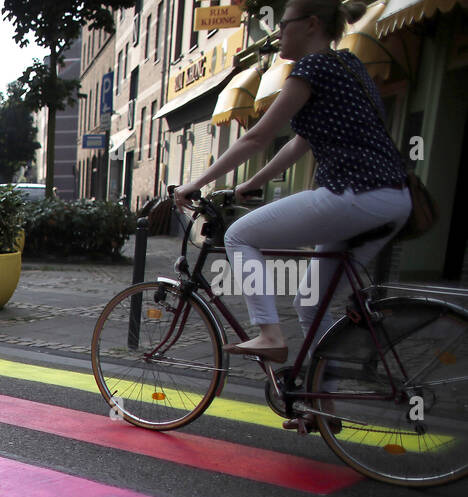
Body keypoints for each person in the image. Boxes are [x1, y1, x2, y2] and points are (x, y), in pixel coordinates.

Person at [174, 0, 410, 429]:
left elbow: (258, 137)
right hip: (394, 200)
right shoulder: (350, 67)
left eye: (284, 26)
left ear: (312, 25)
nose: (278, 34)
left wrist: (195, 184)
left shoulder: (312, 69)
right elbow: (296, 144)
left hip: (352, 194)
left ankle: (269, 334)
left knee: (240, 237)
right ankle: (323, 407)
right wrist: (250, 184)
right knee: (311, 303)